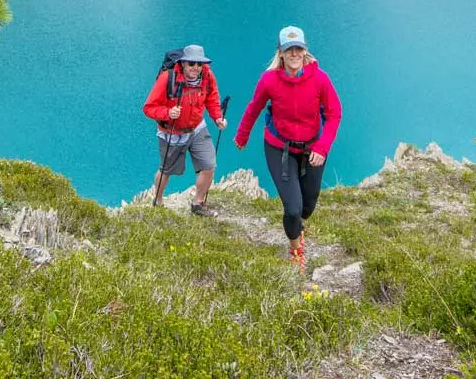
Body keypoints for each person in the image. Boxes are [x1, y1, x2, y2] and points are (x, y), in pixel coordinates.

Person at [233, 25, 342, 270]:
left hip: (312, 149)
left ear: (305, 51)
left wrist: (322, 147)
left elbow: (334, 113)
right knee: (293, 208)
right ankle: (295, 248)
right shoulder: (269, 80)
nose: (294, 53)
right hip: (278, 148)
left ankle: (297, 227)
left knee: (307, 206)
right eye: (289, 49)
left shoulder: (320, 79)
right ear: (280, 53)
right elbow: (254, 107)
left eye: (298, 49)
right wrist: (242, 136)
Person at [142, 43, 227, 216]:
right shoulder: (168, 78)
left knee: (209, 165)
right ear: (182, 63)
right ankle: (158, 201)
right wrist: (167, 113)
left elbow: (212, 98)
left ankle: (198, 204)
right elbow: (148, 108)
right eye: (191, 63)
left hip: (196, 128)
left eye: (199, 64)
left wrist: (217, 117)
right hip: (171, 133)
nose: (196, 67)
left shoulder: (208, 76)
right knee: (166, 170)